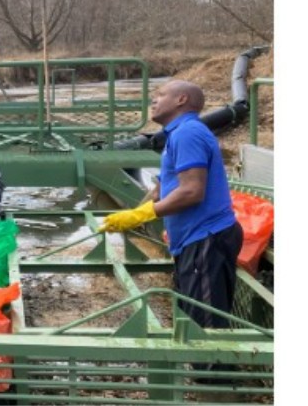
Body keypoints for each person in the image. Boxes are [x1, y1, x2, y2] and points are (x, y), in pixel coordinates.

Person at [99, 80, 243, 378]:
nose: (153, 101)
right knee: (193, 312)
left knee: (206, 324)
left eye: (160, 95)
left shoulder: (188, 133)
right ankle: (204, 375)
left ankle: (215, 386)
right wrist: (132, 215)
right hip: (193, 239)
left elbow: (191, 191)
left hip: (206, 237)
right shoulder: (177, 135)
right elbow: (162, 188)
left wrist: (145, 213)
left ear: (181, 99)